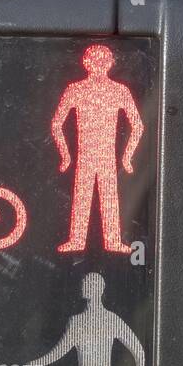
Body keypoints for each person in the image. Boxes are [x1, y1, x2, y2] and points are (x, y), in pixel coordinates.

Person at [51, 44, 144, 253]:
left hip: (104, 156)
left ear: (111, 63)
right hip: (89, 155)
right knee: (85, 197)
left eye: (103, 61)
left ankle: (111, 241)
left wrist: (127, 157)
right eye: (95, 60)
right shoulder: (76, 89)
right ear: (86, 63)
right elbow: (56, 123)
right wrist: (65, 155)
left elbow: (138, 125)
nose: (99, 65)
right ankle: (80, 241)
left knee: (106, 197)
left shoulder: (119, 90)